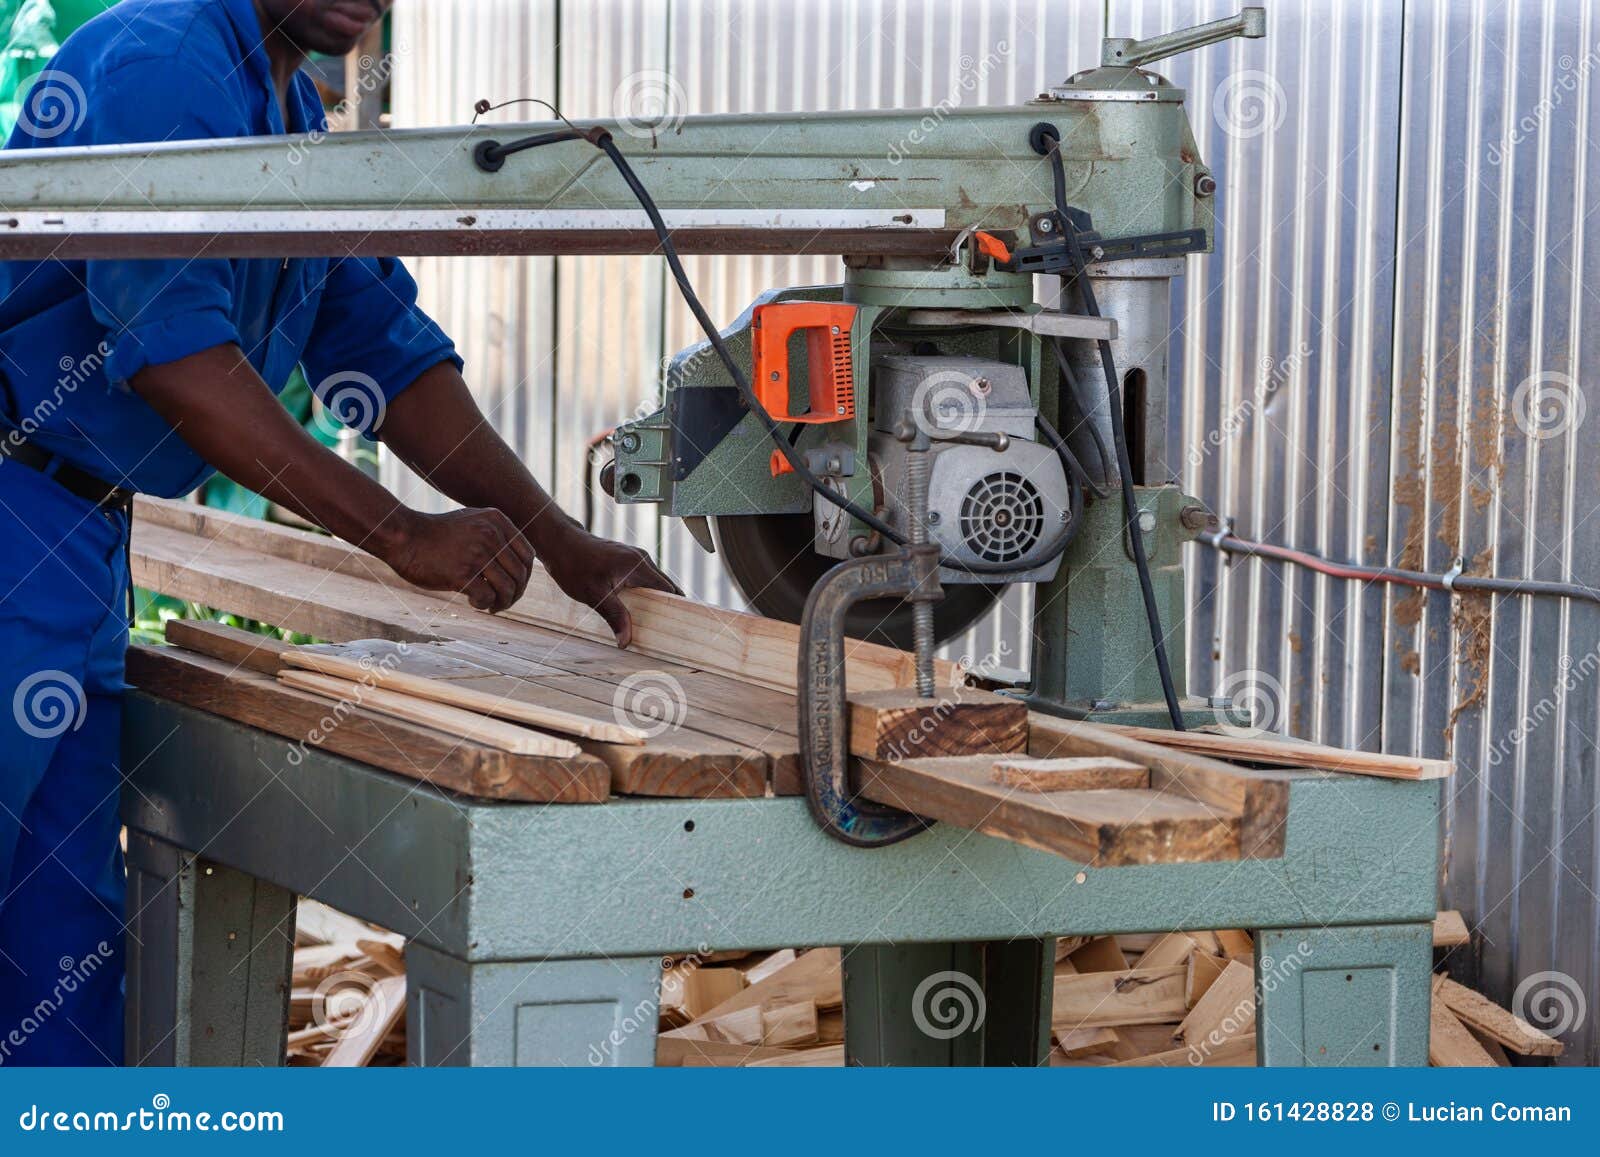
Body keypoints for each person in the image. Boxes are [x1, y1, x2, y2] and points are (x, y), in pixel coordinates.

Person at [0, 0, 677, 1065]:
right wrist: (399, 534)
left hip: (75, 532)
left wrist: (566, 545)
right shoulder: (163, 67)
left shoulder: (291, 114)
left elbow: (384, 352)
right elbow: (180, 356)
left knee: (57, 929)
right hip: (16, 510)